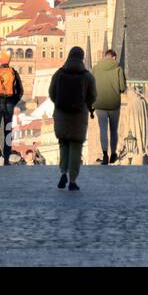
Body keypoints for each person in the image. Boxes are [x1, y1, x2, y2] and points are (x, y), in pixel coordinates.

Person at [49, 45, 97, 192]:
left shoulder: (59, 73)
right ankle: (73, 180)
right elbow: (93, 96)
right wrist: (88, 106)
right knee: (76, 147)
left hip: (61, 113)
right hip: (78, 115)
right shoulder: (87, 76)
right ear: (82, 58)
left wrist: (59, 103)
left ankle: (63, 172)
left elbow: (52, 92)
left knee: (63, 144)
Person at [0, 49, 24, 165]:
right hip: (9, 104)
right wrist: (13, 101)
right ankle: (6, 157)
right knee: (8, 130)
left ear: (0, 60)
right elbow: (21, 91)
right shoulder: (14, 72)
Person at [93, 47, 127, 164]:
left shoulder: (96, 68)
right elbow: (122, 87)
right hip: (113, 103)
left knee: (103, 130)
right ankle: (113, 154)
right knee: (113, 130)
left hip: (100, 104)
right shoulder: (118, 69)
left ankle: (105, 155)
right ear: (113, 57)